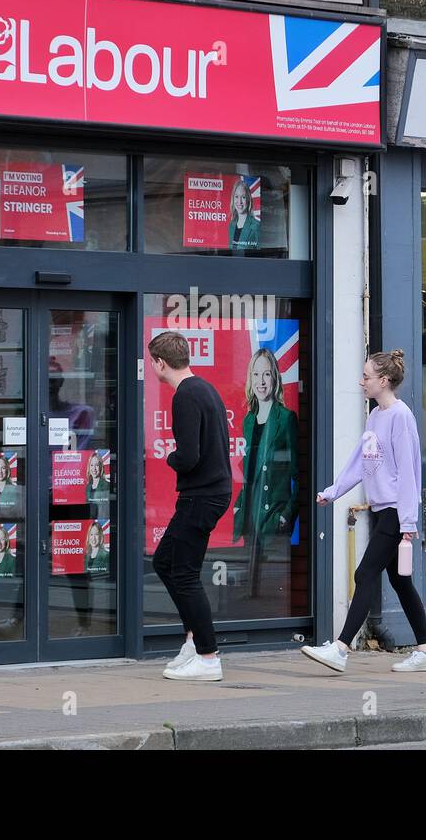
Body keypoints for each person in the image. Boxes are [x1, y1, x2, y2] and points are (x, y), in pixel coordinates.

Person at [301, 350, 426, 673]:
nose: (361, 381)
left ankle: (340, 648)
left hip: (394, 511)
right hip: (382, 509)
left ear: (384, 381)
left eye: (366, 376)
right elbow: (362, 462)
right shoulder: (375, 416)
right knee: (400, 582)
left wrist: (407, 520)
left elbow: (409, 472)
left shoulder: (401, 417)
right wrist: (334, 492)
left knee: (364, 574)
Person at [149, 330, 233, 682]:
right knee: (164, 561)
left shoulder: (184, 395)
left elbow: (188, 456)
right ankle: (193, 639)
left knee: (183, 573)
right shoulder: (204, 387)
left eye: (152, 361)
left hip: (202, 494)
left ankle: (208, 657)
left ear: (160, 363)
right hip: (210, 492)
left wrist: (168, 456)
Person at [232, 348, 298, 596]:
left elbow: (299, 474)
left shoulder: (286, 418)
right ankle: (251, 602)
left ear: (275, 378)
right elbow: (250, 467)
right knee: (251, 575)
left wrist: (287, 513)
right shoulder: (248, 420)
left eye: (267, 374)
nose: (261, 381)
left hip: (273, 511)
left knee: (272, 582)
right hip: (251, 506)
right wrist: (239, 503)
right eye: (256, 374)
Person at [229, 178, 260, 250]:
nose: (239, 202)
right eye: (236, 197)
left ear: (248, 199)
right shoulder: (231, 225)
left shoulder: (256, 226)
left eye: (243, 197)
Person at [86, 451, 112, 517]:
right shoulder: (88, 487)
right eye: (91, 465)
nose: (94, 468)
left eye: (97, 465)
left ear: (101, 467)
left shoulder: (106, 485)